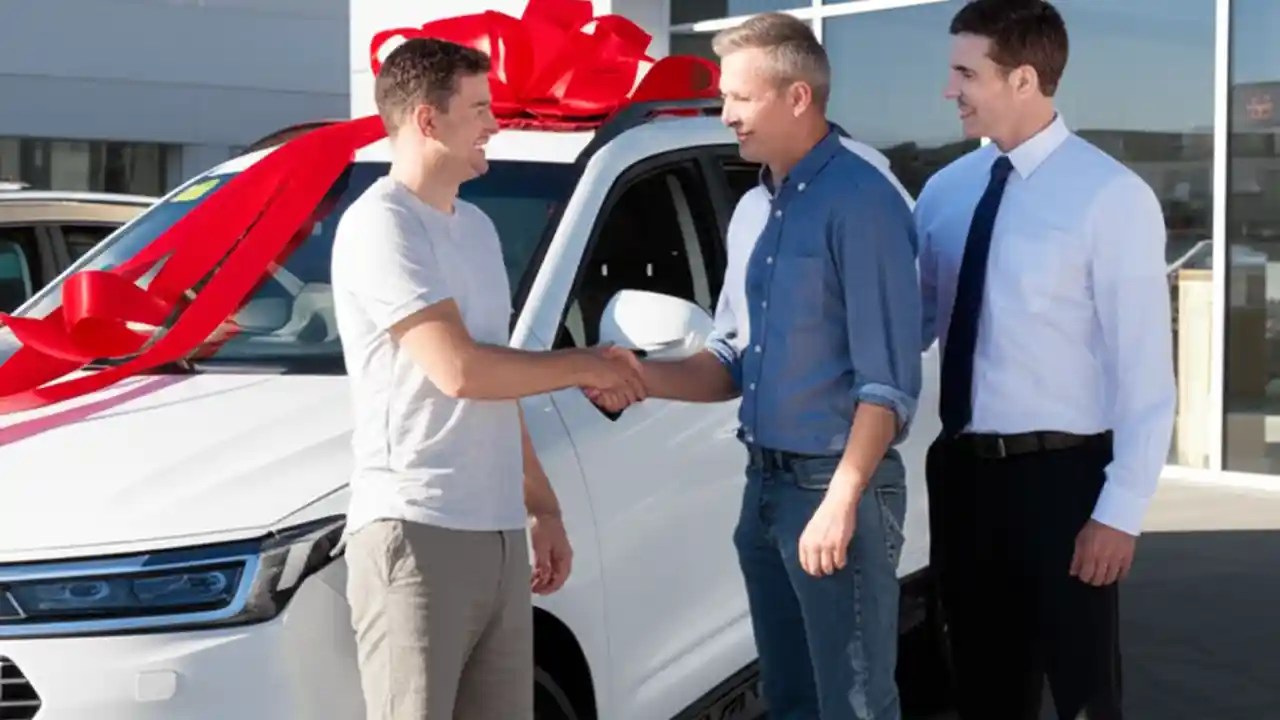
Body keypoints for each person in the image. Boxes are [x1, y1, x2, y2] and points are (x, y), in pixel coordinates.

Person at [592, 13, 921, 720]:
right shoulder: (751, 212)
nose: (727, 114)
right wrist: (639, 377)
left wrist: (840, 503)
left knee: (855, 705)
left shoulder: (861, 204)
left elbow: (887, 384)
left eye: (740, 97)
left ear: (798, 97)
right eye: (725, 98)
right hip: (764, 490)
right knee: (790, 701)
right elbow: (731, 360)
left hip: (831, 488)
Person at [331, 38, 645, 720]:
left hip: (496, 529)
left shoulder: (474, 228)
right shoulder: (381, 225)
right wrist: (586, 365)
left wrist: (542, 506)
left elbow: (497, 382)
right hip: (418, 529)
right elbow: (460, 371)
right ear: (427, 119)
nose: (494, 124)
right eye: (478, 108)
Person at [914, 2, 1176, 718]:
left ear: (1023, 78)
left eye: (966, 73)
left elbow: (1146, 375)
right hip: (963, 479)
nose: (949, 90)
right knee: (982, 691)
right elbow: (911, 326)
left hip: (1064, 484)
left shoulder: (1111, 197)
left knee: (1084, 696)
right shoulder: (944, 192)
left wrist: (1119, 512)